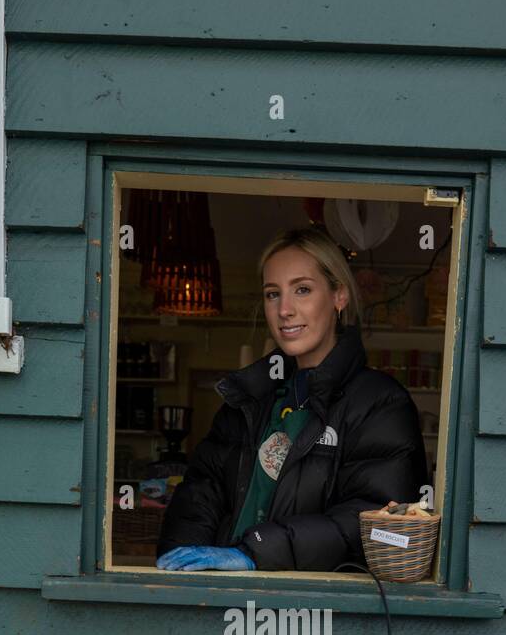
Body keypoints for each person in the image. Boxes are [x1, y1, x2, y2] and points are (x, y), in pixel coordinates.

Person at [156, 226, 428, 573]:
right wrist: (182, 562)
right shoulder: (249, 399)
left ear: (339, 296)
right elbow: (200, 493)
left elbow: (375, 520)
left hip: (314, 612)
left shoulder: (380, 404)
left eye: (302, 290)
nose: (285, 309)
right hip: (224, 601)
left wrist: (256, 554)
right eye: (273, 294)